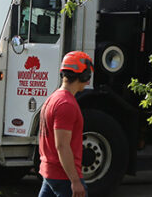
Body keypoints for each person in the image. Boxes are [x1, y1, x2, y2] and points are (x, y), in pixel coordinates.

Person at [37, 51, 93, 197]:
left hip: (50, 172)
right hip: (63, 176)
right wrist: (75, 181)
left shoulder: (53, 98)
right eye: (88, 75)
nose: (88, 82)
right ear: (83, 75)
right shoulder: (66, 104)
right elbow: (62, 145)